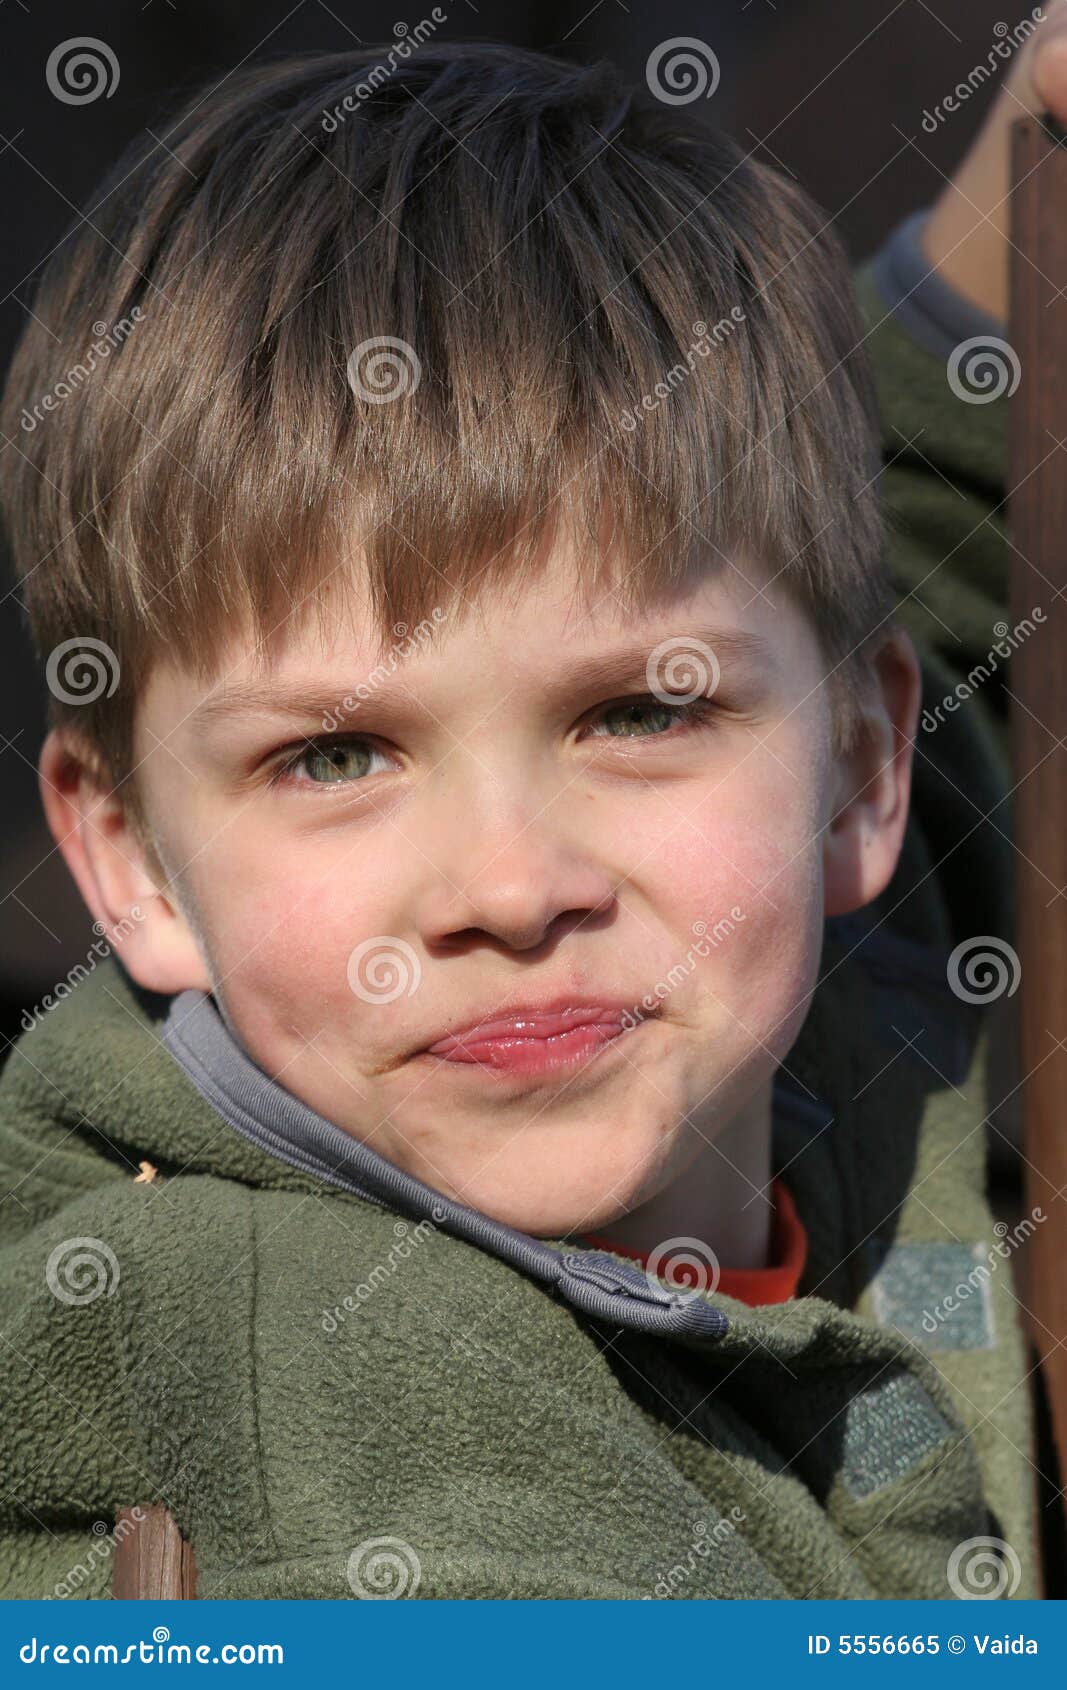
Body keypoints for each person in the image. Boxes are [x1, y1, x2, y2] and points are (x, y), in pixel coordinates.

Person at [0, 11, 1061, 1597]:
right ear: (130, 856)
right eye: (335, 757)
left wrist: (1038, 112)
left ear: (858, 768)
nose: (509, 885)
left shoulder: (761, 975)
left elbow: (929, 486)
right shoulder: (334, 1431)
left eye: (638, 712)